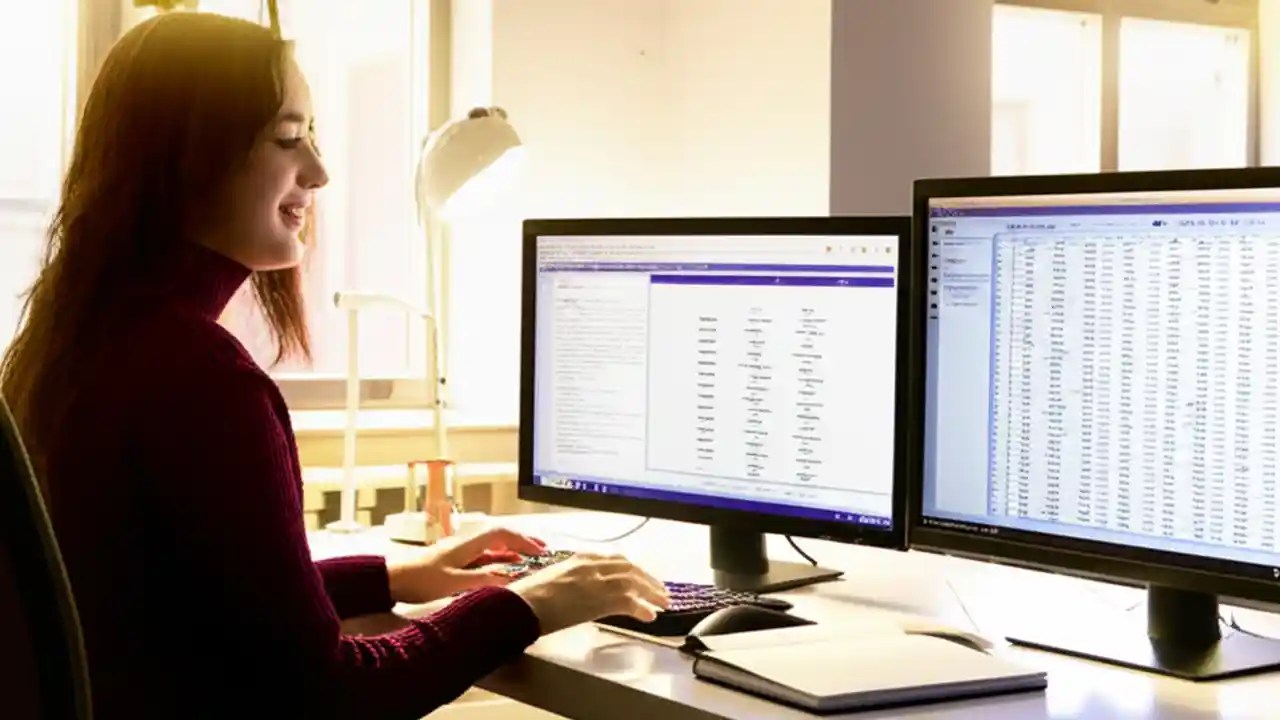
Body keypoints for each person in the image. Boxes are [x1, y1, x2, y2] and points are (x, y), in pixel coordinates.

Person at [0, 12, 668, 719]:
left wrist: (396, 575)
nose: (318, 172)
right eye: (289, 139)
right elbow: (330, 692)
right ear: (189, 155)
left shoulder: (77, 342)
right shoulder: (199, 381)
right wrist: (527, 604)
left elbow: (207, 599)